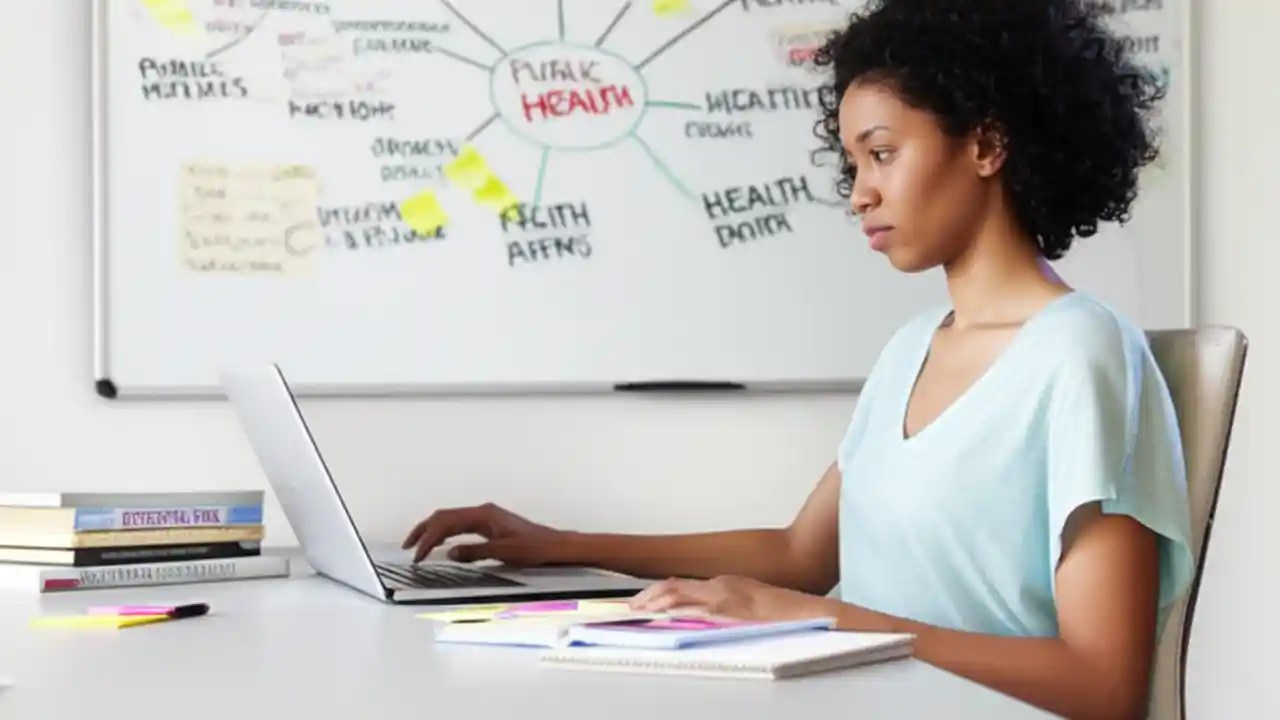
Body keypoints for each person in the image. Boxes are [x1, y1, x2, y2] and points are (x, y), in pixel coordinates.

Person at [403, 1, 1192, 717]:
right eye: (853, 163)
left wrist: (826, 622)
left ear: (986, 144)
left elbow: (1104, 686)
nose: (859, 193)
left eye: (882, 153)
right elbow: (799, 556)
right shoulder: (914, 347)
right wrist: (557, 546)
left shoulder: (1082, 355)